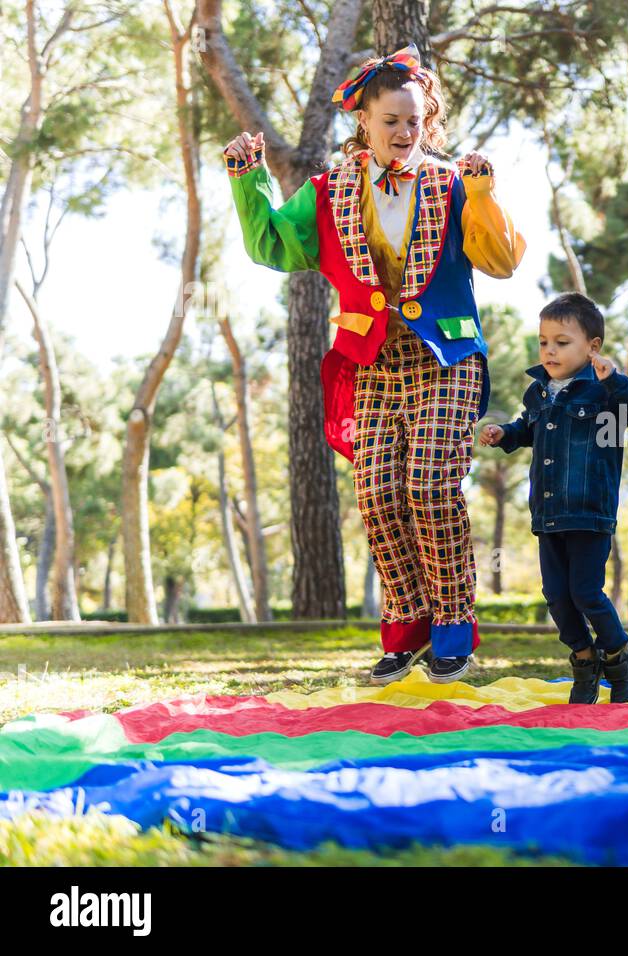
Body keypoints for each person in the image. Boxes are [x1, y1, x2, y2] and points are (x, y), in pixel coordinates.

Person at [222, 44, 525, 685]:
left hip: (446, 361)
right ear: (364, 120)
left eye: (414, 121)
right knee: (380, 494)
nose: (404, 133)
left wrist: (485, 195)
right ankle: (406, 631)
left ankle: (452, 633)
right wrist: (247, 179)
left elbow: (502, 261)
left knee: (431, 488)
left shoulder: (452, 183)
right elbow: (273, 244)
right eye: (391, 121)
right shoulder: (330, 191)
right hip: (372, 364)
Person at [480, 293, 628, 703]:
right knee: (557, 597)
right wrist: (505, 433)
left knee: (586, 592)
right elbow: (528, 428)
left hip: (589, 512)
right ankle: (584, 659)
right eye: (544, 341)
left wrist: (613, 379)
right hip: (548, 514)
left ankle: (622, 652)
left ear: (592, 347)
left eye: (562, 342)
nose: (549, 350)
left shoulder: (604, 392)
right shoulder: (539, 394)